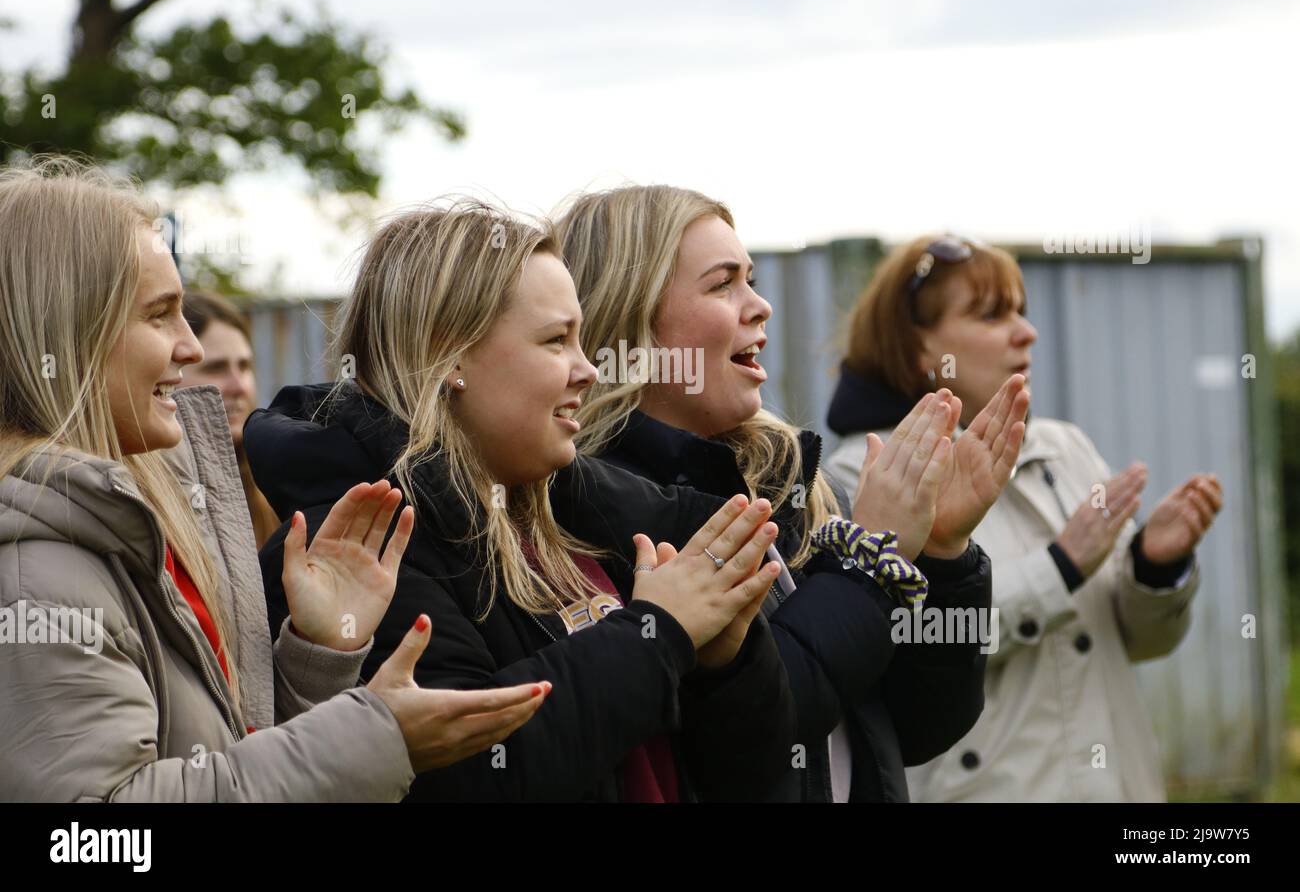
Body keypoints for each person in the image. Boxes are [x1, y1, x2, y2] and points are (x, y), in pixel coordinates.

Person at [0, 159, 548, 801]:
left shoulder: (128, 521)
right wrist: (371, 740)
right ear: (66, 333)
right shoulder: (32, 575)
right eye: (159, 315)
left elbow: (223, 754)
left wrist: (315, 656)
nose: (191, 349)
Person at [247, 198, 797, 801]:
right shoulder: (361, 543)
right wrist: (658, 634)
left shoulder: (578, 516)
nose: (588, 370)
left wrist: (726, 666)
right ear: (448, 353)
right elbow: (478, 773)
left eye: (582, 339)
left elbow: (758, 778)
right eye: (556, 340)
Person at [554, 184, 1031, 801]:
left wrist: (944, 552)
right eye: (723, 283)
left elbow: (917, 727)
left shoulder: (798, 486)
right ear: (629, 316)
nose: (761, 306)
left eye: (751, 279)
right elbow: (762, 729)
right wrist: (869, 558)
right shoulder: (589, 516)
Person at [824, 234, 1221, 801]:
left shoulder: (1065, 447)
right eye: (991, 314)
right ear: (917, 347)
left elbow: (1143, 642)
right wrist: (1058, 568)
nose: (1026, 332)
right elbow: (903, 639)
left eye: (1022, 311)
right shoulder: (864, 473)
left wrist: (1155, 568)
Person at [179, 289, 280, 547]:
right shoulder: (156, 495)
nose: (239, 387)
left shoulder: (276, 489)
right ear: (169, 375)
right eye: (216, 368)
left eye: (244, 367)